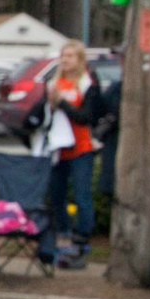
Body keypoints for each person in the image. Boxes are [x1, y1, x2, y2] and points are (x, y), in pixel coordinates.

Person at [34, 41, 105, 269]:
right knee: (56, 196)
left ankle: (81, 240)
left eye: (71, 56)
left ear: (80, 59)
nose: (66, 60)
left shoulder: (87, 83)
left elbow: (85, 116)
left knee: (82, 196)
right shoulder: (53, 83)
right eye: (63, 56)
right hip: (58, 149)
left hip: (80, 148)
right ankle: (62, 235)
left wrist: (62, 102)